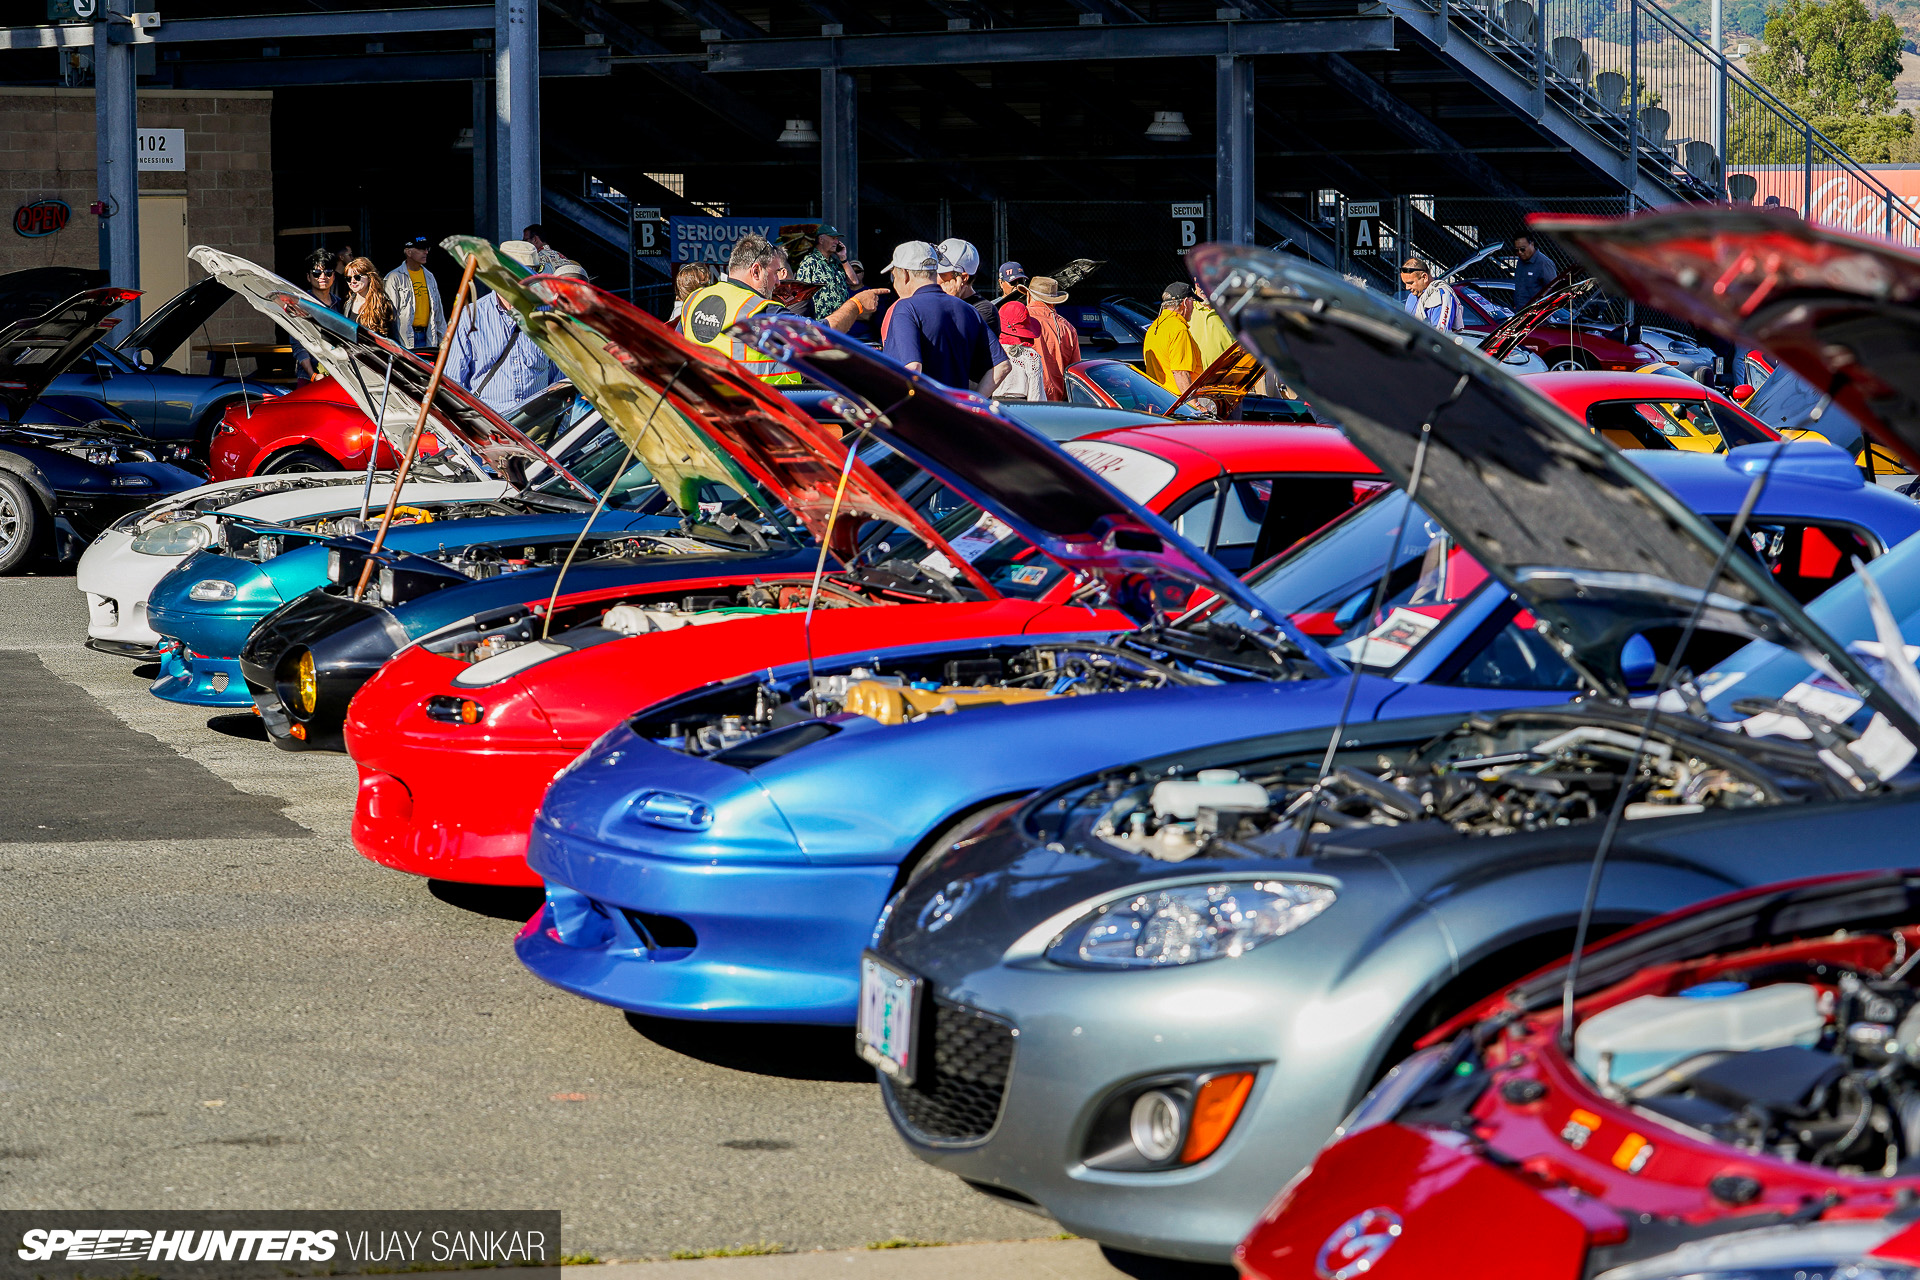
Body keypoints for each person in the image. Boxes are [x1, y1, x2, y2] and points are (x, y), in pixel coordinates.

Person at [681, 233, 883, 383]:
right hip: (760, 411)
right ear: (756, 271)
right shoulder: (761, 309)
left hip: (704, 411)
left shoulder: (694, 299)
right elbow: (820, 335)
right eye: (775, 273)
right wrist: (855, 305)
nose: (778, 281)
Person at [447, 240, 559, 416]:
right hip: (490, 429)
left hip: (537, 430)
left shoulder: (548, 316)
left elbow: (558, 383)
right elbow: (454, 385)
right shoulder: (471, 317)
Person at [881, 240, 1005, 393]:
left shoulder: (906, 307)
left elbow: (913, 367)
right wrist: (971, 404)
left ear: (905, 274)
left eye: (894, 277)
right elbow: (1002, 365)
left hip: (921, 410)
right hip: (952, 410)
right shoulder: (969, 309)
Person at [1023, 272, 1080, 403]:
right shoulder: (1068, 328)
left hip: (1023, 400)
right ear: (1053, 302)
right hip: (1057, 403)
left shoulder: (1021, 320)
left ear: (1028, 295)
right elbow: (1074, 372)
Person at [384, 236, 447, 352]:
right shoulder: (394, 277)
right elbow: (390, 315)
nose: (426, 252)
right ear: (408, 251)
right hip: (404, 340)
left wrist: (444, 340)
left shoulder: (430, 276)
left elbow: (438, 313)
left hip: (428, 336)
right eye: (421, 248)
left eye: (427, 248)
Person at [1143, 282, 1204, 394]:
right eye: (1192, 301)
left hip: (1159, 400)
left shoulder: (1154, 327)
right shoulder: (1178, 329)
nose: (1193, 307)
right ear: (1185, 302)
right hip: (1178, 403)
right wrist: (1196, 406)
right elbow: (1180, 372)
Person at [292, 249, 340, 383]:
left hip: (339, 376)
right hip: (310, 377)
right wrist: (313, 375)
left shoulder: (340, 304)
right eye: (317, 273)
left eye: (328, 273)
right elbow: (298, 343)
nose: (322, 277)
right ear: (308, 277)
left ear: (334, 276)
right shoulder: (301, 305)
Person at [791, 224, 854, 321]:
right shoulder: (810, 262)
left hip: (840, 322)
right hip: (820, 323)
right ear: (821, 240)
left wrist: (843, 258)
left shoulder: (836, 263)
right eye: (833, 238)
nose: (836, 242)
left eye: (837, 238)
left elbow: (854, 282)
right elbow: (801, 296)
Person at [937, 238, 998, 329]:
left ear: (963, 278)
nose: (934, 278)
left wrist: (951, 303)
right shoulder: (934, 298)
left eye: (942, 274)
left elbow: (952, 339)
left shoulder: (984, 311)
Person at [993, 299, 1044, 401]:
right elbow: (1036, 396)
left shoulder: (991, 350)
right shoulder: (1031, 356)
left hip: (991, 406)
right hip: (1020, 408)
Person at [1400, 258, 1464, 332]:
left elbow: (1440, 334)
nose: (1407, 287)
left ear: (1424, 277)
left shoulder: (1440, 296)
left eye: (1410, 283)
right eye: (1405, 283)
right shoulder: (1412, 296)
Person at [342, 256, 396, 342]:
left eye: (357, 277)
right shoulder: (347, 304)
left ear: (369, 277)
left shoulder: (383, 304)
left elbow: (393, 338)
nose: (352, 281)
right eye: (348, 278)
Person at [1188, 295, 1235, 371]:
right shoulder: (1186, 308)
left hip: (1232, 372)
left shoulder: (1229, 305)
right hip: (1200, 378)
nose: (1200, 287)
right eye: (1198, 283)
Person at [1510, 234, 1555, 311]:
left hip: (1537, 314)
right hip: (1521, 311)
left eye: (1523, 249)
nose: (1520, 252)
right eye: (1516, 250)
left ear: (1532, 244)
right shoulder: (1520, 262)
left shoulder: (1544, 263)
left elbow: (1553, 289)